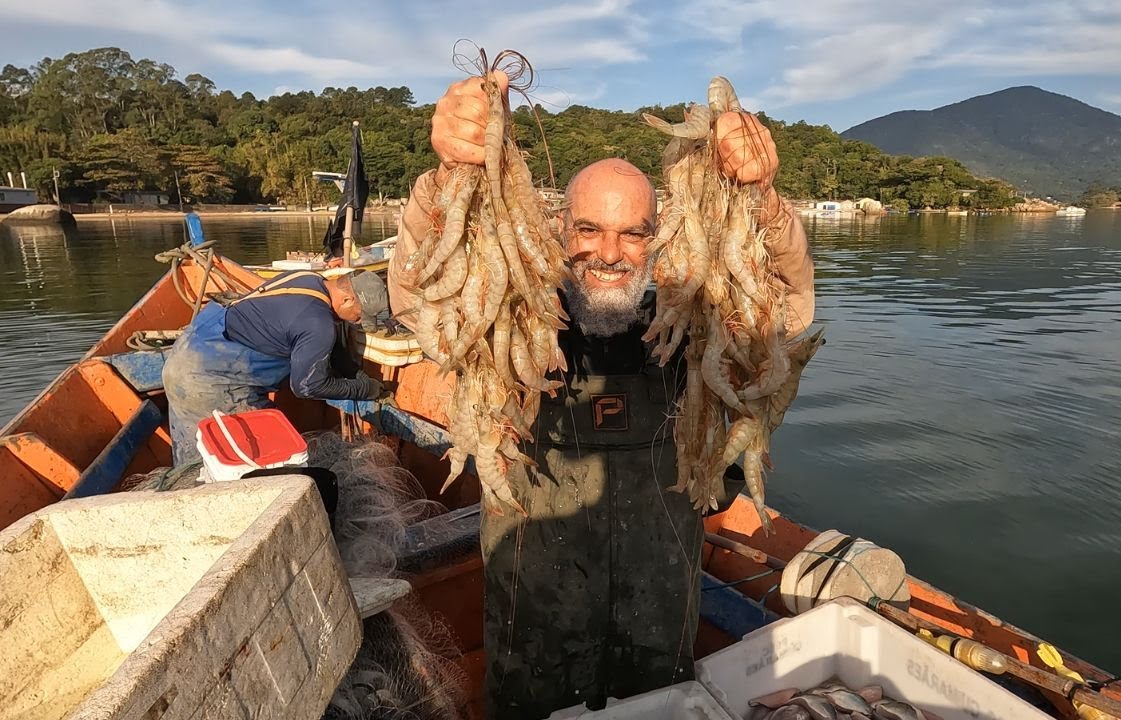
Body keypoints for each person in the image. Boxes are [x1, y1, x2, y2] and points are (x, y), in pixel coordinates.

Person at [388, 71, 815, 719]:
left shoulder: (694, 329)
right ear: (561, 229)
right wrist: (449, 179)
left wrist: (759, 199)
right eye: (588, 229)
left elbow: (782, 314)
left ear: (656, 239)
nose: (608, 253)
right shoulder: (511, 321)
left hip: (657, 624)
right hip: (534, 628)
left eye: (632, 234)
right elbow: (422, 297)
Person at [163, 269, 392, 465]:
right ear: (347, 300)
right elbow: (307, 386)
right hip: (210, 380)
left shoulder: (310, 279)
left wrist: (354, 372)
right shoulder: (317, 324)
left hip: (184, 355)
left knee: (195, 453)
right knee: (257, 460)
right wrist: (363, 390)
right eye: (359, 317)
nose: (358, 323)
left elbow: (324, 343)